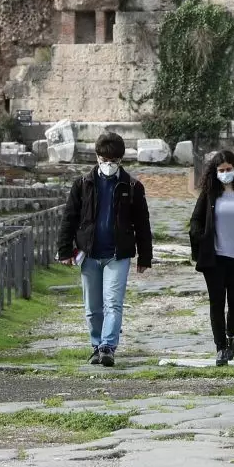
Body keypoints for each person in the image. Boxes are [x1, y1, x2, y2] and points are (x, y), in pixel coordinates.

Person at [55, 132, 152, 367]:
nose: (109, 164)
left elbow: (142, 222)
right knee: (92, 308)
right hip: (89, 253)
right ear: (97, 157)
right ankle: (96, 344)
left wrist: (145, 256)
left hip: (117, 254)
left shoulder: (132, 186)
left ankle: (108, 346)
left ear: (120, 160)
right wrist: (65, 249)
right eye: (105, 159)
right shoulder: (82, 184)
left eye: (114, 160)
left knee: (113, 303)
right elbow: (69, 217)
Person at [187, 148, 234, 366]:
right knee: (216, 303)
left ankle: (230, 335)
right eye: (222, 170)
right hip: (215, 258)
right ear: (215, 172)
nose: (225, 173)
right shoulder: (209, 194)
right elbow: (195, 221)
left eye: (229, 169)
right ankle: (220, 347)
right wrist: (202, 240)